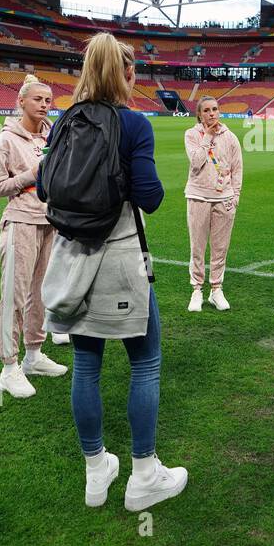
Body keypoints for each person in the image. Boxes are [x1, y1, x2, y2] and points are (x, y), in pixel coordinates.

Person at [40, 33, 187, 511]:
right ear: (124, 74)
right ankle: (144, 475)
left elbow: (45, 186)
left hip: (73, 258)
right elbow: (151, 197)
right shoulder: (134, 124)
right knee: (145, 362)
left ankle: (95, 470)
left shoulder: (64, 120)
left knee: (87, 366)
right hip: (122, 256)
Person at [0, 74, 68, 399]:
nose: (45, 105)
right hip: (20, 223)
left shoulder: (52, 136)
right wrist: (28, 176)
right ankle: (9, 367)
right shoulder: (7, 140)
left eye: (48, 100)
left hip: (50, 222)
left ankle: (34, 355)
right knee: (15, 295)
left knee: (41, 294)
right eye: (38, 99)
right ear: (21, 102)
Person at [184, 96, 243, 312]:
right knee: (197, 247)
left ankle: (216, 289)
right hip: (198, 196)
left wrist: (234, 197)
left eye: (215, 109)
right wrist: (208, 135)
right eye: (207, 110)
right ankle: (197, 290)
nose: (212, 113)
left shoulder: (230, 137)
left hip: (224, 199)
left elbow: (237, 169)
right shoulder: (191, 135)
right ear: (199, 114)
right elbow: (197, 161)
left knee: (220, 249)